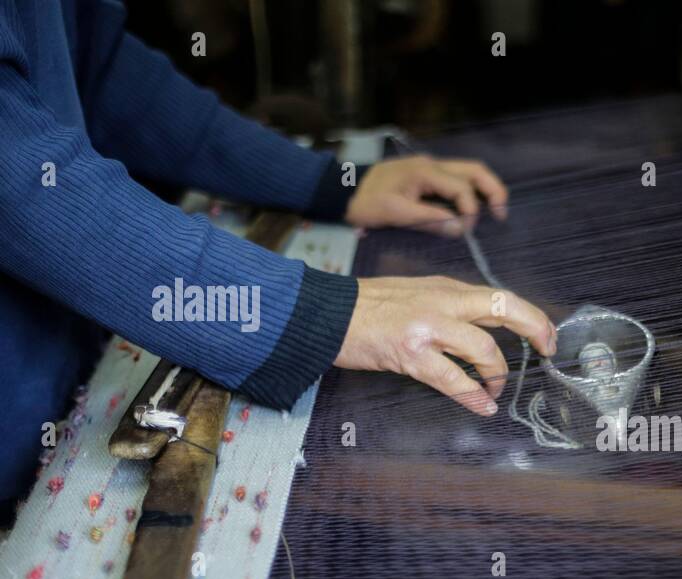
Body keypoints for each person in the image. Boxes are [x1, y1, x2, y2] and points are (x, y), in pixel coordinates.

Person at [0, 0, 555, 526]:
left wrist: (324, 183)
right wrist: (310, 315)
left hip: (65, 376)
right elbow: (16, 178)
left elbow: (97, 65)